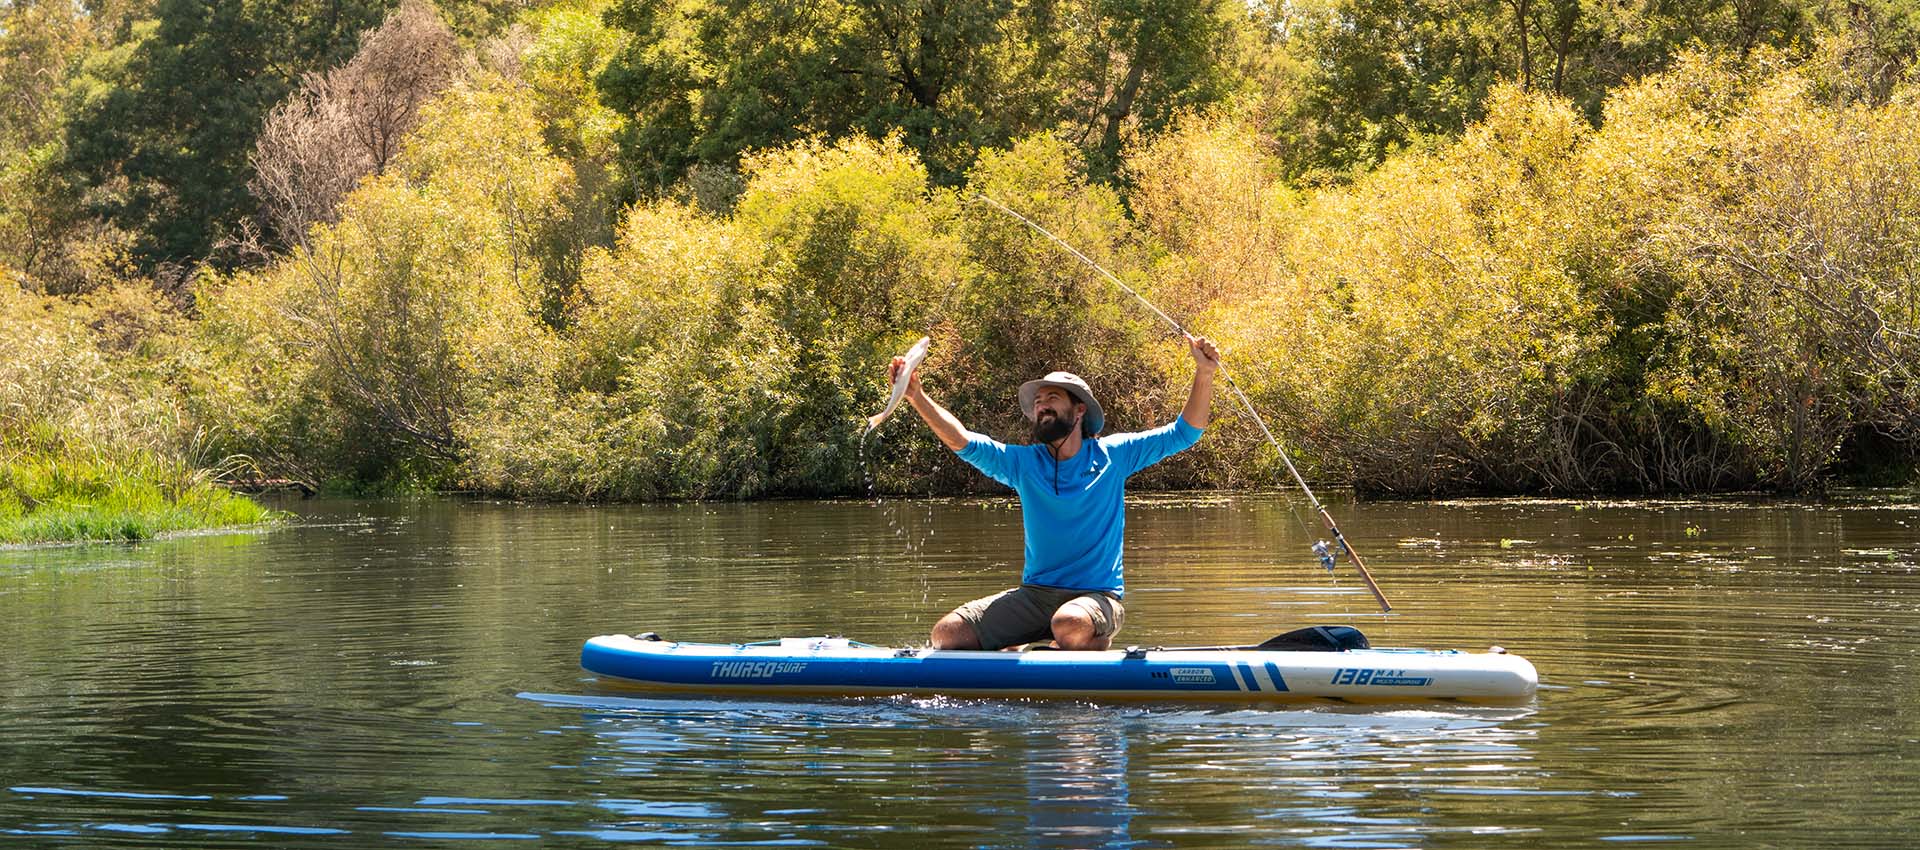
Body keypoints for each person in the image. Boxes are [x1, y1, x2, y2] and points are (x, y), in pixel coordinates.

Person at [888, 335, 1221, 650]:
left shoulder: (1114, 455)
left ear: (1079, 410)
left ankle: (1085, 641)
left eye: (1052, 398)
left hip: (1098, 598)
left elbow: (1184, 433)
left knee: (1069, 622)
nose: (1041, 406)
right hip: (1035, 596)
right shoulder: (1022, 463)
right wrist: (916, 396)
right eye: (1038, 402)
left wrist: (1204, 373)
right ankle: (1024, 643)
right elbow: (963, 441)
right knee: (947, 634)